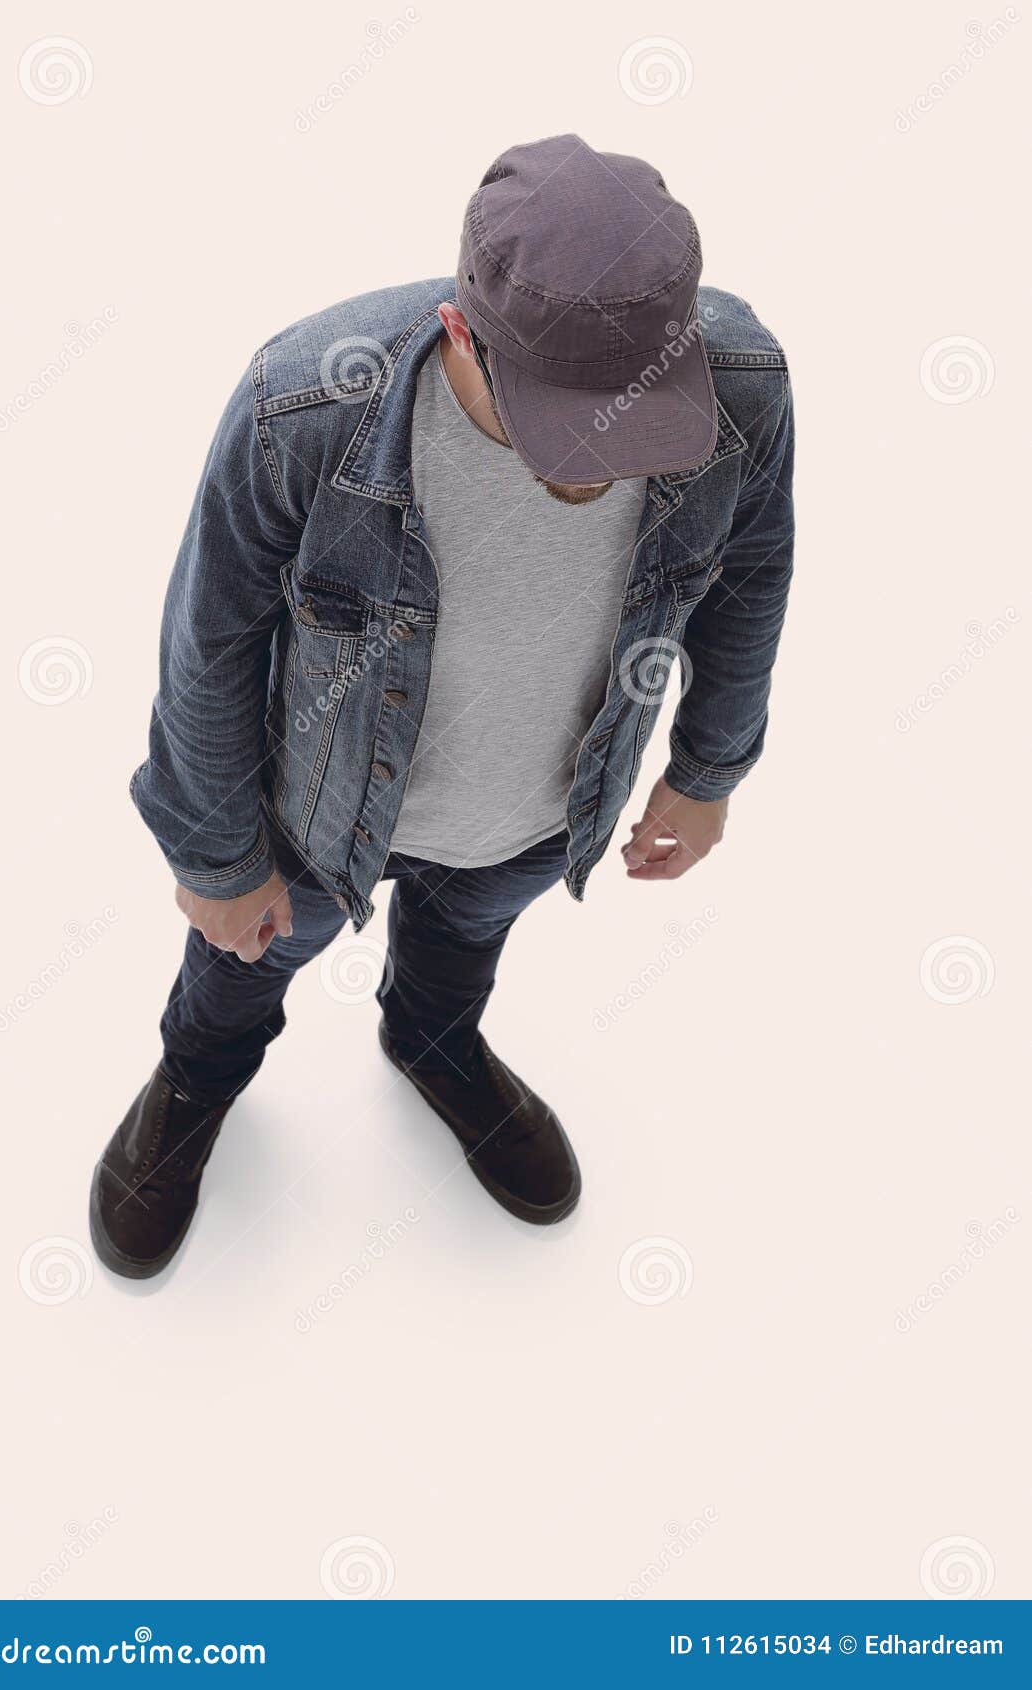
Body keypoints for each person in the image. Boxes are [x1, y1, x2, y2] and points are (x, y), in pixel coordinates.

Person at [90, 133, 795, 1279]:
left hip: (536, 808)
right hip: (307, 811)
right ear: (463, 330)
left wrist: (709, 770)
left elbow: (752, 567)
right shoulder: (303, 405)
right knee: (237, 974)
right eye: (566, 428)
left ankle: (433, 1042)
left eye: (635, 423)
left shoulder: (742, 389)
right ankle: (196, 1081)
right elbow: (206, 642)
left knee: (465, 944)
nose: (600, 470)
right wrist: (216, 858)